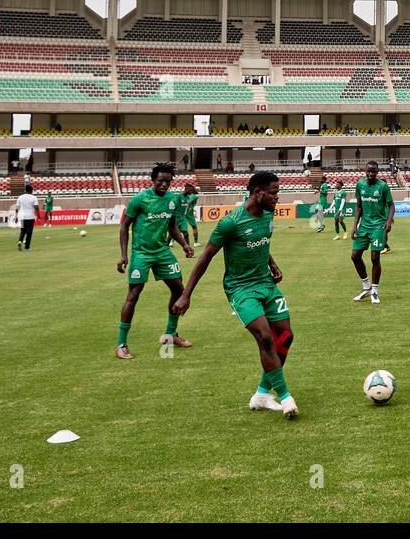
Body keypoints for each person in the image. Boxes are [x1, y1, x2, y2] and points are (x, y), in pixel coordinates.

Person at [175, 171, 298, 418]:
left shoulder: (268, 215)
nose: (277, 197)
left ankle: (262, 395)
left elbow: (263, 242)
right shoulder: (231, 223)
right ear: (257, 192)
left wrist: (272, 264)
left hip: (266, 284)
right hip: (240, 288)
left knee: (284, 337)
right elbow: (205, 258)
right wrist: (186, 294)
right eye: (273, 193)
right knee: (265, 337)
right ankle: (286, 398)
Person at [115, 162, 195, 360]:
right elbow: (124, 226)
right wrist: (124, 255)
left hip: (162, 252)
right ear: (153, 180)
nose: (165, 185)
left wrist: (184, 244)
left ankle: (170, 334)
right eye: (161, 181)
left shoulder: (171, 200)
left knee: (179, 290)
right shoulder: (140, 200)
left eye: (168, 181)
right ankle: (121, 344)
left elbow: (172, 226)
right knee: (133, 294)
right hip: (141, 253)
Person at [350, 160, 395, 304]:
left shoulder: (382, 186)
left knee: (375, 257)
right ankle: (366, 287)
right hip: (364, 226)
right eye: (368, 171)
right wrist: (354, 226)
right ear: (365, 171)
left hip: (378, 226)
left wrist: (389, 221)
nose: (370, 173)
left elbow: (391, 205)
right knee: (355, 256)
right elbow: (358, 207)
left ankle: (375, 290)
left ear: (377, 172)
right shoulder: (360, 185)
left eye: (373, 171)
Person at [15, 185, 39, 251]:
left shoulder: (20, 197)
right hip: (30, 217)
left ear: (25, 190)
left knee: (22, 230)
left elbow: (17, 208)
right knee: (29, 232)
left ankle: (20, 241)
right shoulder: (34, 197)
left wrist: (16, 216)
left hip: (22, 216)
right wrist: (39, 216)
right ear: (31, 190)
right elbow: (36, 207)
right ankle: (27, 247)